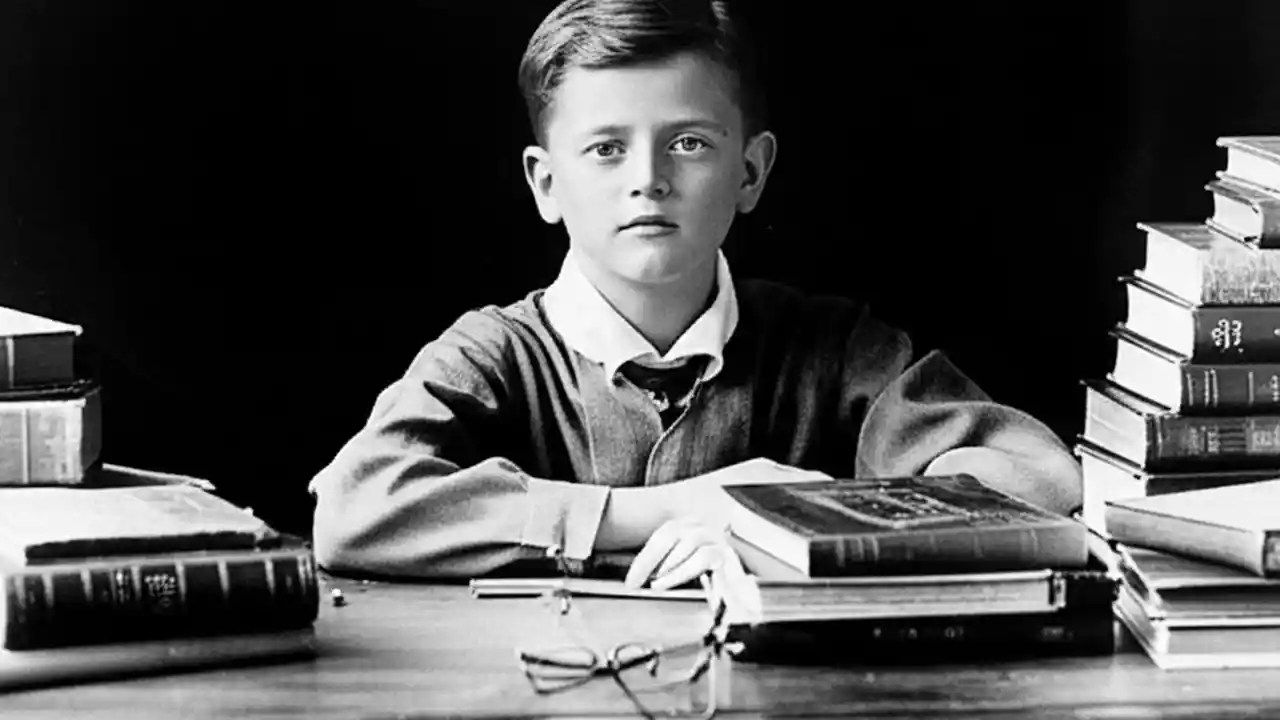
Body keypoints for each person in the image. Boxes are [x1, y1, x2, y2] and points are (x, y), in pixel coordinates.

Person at [307, 0, 1082, 590]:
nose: (649, 177)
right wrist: (687, 507)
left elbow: (1038, 480)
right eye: (606, 149)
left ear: (750, 173)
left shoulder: (838, 350)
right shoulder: (495, 354)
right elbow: (356, 508)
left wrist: (796, 523)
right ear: (547, 184)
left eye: (689, 143)